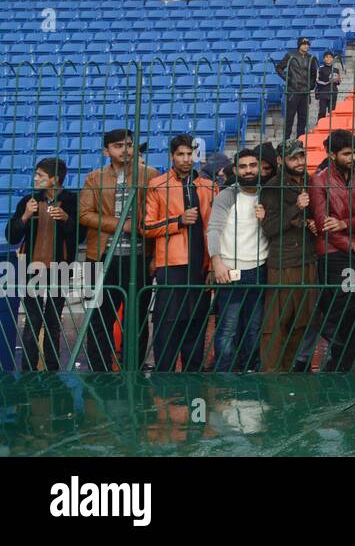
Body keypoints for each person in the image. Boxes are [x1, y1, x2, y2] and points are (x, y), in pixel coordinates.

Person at [78, 129, 157, 371]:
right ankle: (99, 370)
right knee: (98, 319)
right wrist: (124, 224)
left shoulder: (149, 175)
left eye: (129, 145)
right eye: (118, 146)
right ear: (106, 151)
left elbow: (156, 212)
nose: (125, 150)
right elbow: (84, 214)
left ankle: (133, 367)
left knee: (138, 318)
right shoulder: (95, 178)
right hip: (99, 257)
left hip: (139, 257)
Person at [144, 135, 218, 372]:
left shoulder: (209, 186)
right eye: (181, 154)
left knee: (196, 322)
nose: (186, 159)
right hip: (172, 264)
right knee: (168, 322)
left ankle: (192, 374)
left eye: (190, 154)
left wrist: (213, 265)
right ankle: (164, 373)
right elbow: (146, 227)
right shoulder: (157, 185)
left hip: (202, 264)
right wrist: (178, 221)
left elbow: (216, 228)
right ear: (172, 156)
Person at [308, 130, 355, 371]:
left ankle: (341, 363)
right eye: (346, 154)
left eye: (354, 153)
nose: (352, 158)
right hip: (331, 251)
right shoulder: (319, 180)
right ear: (331, 154)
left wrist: (344, 223)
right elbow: (322, 225)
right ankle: (326, 323)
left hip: (352, 248)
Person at [6, 158, 79, 371]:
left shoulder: (72, 201)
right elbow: (11, 236)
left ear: (55, 179)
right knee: (32, 321)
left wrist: (66, 219)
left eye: (40, 175)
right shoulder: (29, 200)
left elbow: (79, 236)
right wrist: (26, 216)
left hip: (61, 268)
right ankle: (28, 369)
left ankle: (53, 368)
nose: (35, 178)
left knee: (53, 321)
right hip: (32, 269)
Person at [207, 149, 269, 372]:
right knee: (228, 328)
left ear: (260, 167)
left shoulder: (268, 193)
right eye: (243, 166)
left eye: (253, 165)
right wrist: (217, 262)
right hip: (230, 269)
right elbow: (213, 229)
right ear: (235, 170)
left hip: (259, 268)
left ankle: (249, 370)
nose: (249, 170)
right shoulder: (226, 195)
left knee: (254, 328)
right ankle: (223, 373)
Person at [258, 141, 317, 371]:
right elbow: (269, 227)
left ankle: (289, 367)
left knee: (303, 321)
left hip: (307, 258)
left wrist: (307, 220)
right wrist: (297, 209)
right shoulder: (273, 187)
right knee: (276, 323)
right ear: (281, 161)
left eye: (302, 157)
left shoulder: (309, 182)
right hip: (283, 263)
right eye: (294, 158)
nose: (300, 162)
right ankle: (272, 372)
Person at [276, 37, 318, 142]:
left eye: (307, 44)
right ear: (299, 45)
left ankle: (300, 140)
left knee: (303, 118)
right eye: (304, 44)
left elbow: (314, 74)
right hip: (293, 91)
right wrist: (288, 78)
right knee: (290, 117)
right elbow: (279, 67)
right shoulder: (290, 56)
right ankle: (286, 140)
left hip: (305, 92)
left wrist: (311, 85)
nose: (306, 46)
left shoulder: (311, 58)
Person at [315, 51, 341, 121]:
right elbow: (317, 80)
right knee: (322, 111)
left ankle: (330, 126)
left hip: (333, 92)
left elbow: (339, 82)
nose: (328, 59)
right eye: (326, 57)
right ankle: (320, 125)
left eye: (330, 57)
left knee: (332, 112)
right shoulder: (320, 68)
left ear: (332, 59)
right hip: (323, 92)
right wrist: (328, 81)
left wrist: (337, 79)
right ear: (323, 59)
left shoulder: (336, 69)